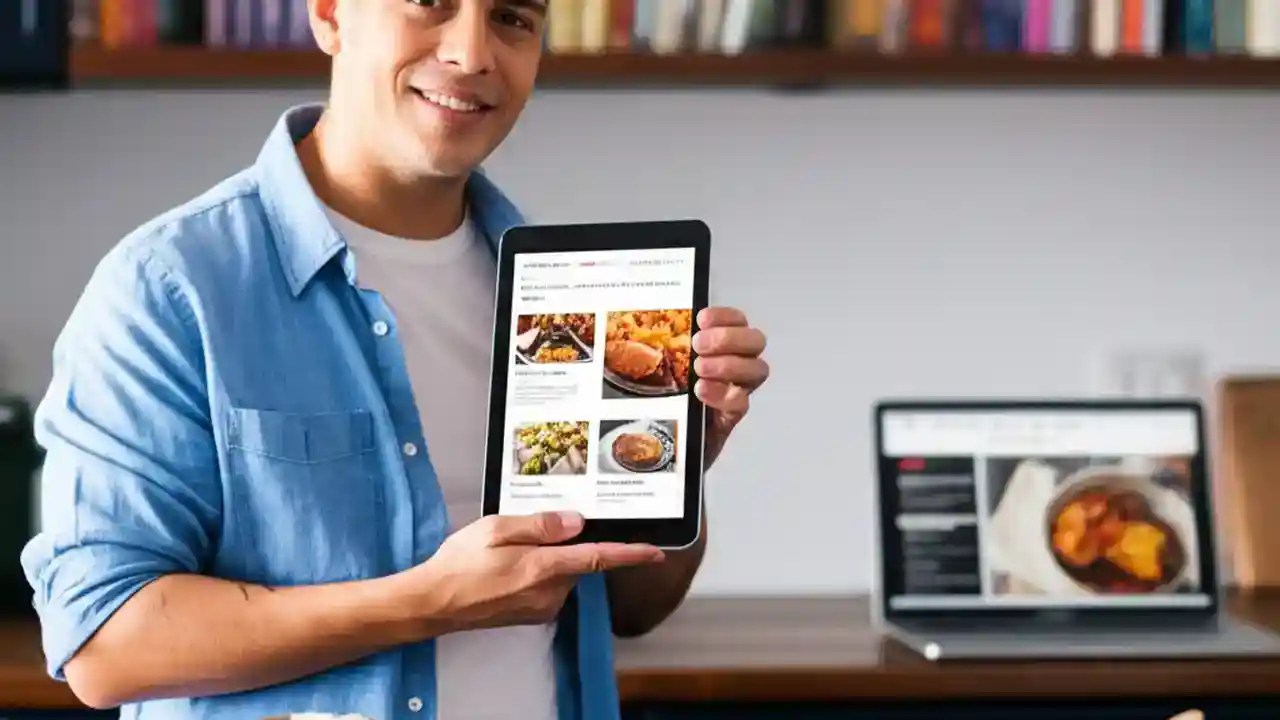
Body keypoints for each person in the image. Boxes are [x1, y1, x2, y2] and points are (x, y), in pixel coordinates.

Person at [20, 1, 770, 719]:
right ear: (328, 14)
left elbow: (632, 611)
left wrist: (674, 474)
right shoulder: (172, 286)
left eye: (512, 17)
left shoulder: (565, 307)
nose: (472, 53)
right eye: (426, 2)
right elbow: (102, 642)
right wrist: (430, 601)